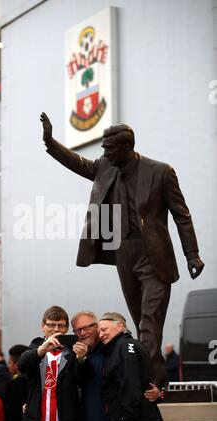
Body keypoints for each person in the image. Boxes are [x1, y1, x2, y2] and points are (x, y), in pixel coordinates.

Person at [40, 112, 204, 387]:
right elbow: (79, 163)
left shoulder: (161, 172)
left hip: (155, 256)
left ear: (127, 148)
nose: (104, 152)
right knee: (141, 319)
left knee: (150, 321)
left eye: (109, 147)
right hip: (123, 252)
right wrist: (50, 141)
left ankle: (140, 381)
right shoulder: (106, 165)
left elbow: (182, 215)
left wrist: (192, 253)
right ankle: (157, 375)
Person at [71, 311, 161, 421]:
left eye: (89, 327)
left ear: (119, 326)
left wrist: (159, 393)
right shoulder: (75, 354)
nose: (84, 332)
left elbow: (134, 385)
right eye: (78, 330)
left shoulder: (122, 347)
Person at [20, 305, 91, 421]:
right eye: (51, 325)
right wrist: (42, 350)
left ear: (66, 329)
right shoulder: (35, 348)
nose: (56, 329)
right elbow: (22, 365)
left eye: (61, 325)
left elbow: (84, 380)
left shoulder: (74, 351)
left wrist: (82, 359)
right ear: (42, 326)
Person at [98, 312, 163, 421]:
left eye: (104, 330)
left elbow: (130, 388)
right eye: (99, 332)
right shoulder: (125, 346)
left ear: (120, 326)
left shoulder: (125, 347)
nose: (101, 335)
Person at [3, 344, 28, 421]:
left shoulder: (17, 383)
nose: (8, 366)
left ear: (17, 365)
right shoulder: (33, 378)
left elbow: (13, 412)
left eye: (10, 362)